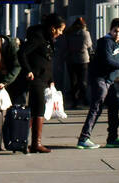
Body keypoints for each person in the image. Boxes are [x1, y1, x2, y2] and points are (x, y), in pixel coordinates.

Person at [77, 18, 119, 149]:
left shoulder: (114, 43)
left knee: (114, 107)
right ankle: (84, 138)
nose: (117, 34)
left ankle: (112, 138)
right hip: (101, 79)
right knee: (96, 108)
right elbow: (108, 61)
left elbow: (113, 60)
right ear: (110, 30)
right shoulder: (106, 42)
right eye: (115, 31)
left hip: (108, 81)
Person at [19, 13, 64, 153]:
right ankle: (34, 143)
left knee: (37, 109)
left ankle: (26, 141)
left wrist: (51, 80)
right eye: (60, 30)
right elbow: (22, 53)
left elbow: (47, 60)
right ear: (52, 28)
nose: (61, 33)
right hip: (35, 78)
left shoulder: (48, 38)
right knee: (38, 109)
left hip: (44, 79)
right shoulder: (38, 37)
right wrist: (28, 70)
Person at [64, 17, 92, 110]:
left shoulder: (68, 33)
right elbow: (88, 45)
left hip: (71, 60)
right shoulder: (85, 33)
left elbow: (66, 46)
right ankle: (84, 99)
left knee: (73, 81)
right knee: (83, 81)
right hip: (83, 59)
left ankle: (75, 100)